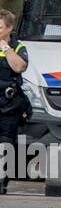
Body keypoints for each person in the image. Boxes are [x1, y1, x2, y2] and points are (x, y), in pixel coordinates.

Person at [0, 10, 30, 196]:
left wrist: (6, 48)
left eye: (0, 28)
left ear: (9, 28)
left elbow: (20, 66)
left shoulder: (17, 47)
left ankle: (1, 179)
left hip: (8, 104)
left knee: (5, 142)